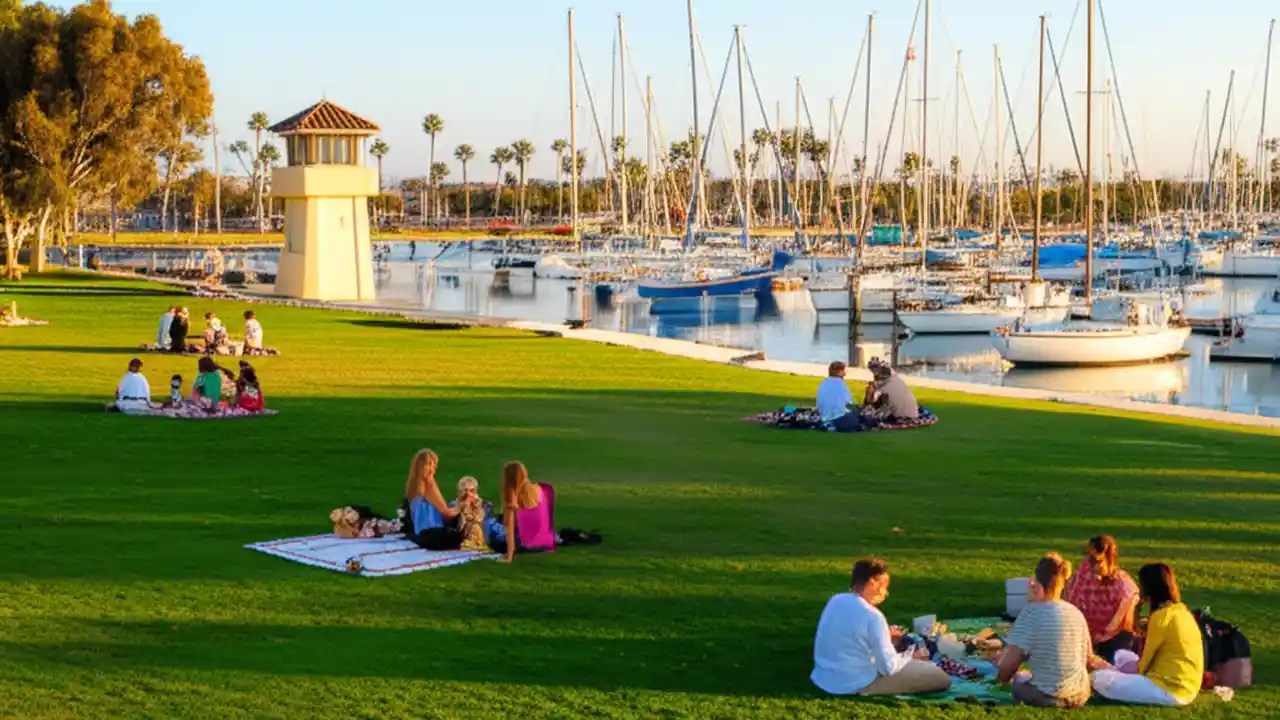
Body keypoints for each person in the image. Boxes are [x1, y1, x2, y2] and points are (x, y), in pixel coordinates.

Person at [810, 558, 949, 696]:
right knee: (939, 676)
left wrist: (886, 638)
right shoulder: (873, 616)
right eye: (884, 587)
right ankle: (870, 690)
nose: (886, 593)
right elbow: (888, 668)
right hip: (853, 682)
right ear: (872, 584)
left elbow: (849, 636)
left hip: (824, 677)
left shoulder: (836, 600)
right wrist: (910, 655)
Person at [1091, 564, 1203, 707]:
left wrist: (1122, 672)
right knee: (1122, 654)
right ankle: (1120, 676)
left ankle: (1116, 677)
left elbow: (1142, 667)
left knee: (1098, 678)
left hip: (1169, 689)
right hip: (1186, 685)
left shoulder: (1161, 617)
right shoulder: (1181, 610)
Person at [996, 553, 1096, 708]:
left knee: (1019, 681)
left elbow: (1008, 665)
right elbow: (1088, 658)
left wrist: (1001, 679)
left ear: (1036, 583)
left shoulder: (1032, 612)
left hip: (1048, 697)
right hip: (1081, 695)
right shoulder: (1075, 612)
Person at [1064, 536, 1140, 662]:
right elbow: (1072, 601)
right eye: (1091, 560)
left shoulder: (1123, 584)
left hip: (1112, 636)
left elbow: (1117, 624)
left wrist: (1102, 635)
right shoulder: (1085, 573)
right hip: (1085, 633)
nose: (1094, 566)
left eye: (1098, 561)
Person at [491, 460, 554, 564]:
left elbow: (509, 529)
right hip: (544, 542)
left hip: (525, 543)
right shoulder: (540, 489)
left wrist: (509, 556)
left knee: (491, 525)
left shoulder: (512, 501)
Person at [400, 449, 463, 550]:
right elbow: (446, 512)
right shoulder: (428, 485)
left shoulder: (413, 486)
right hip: (432, 534)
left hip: (421, 535)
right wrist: (463, 505)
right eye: (431, 464)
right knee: (463, 536)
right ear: (423, 467)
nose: (434, 468)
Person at [816, 361, 858, 430]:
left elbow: (818, 404)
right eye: (843, 371)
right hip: (839, 418)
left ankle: (829, 426)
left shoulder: (823, 384)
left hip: (824, 417)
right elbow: (849, 404)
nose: (845, 374)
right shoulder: (841, 384)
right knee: (858, 416)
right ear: (838, 372)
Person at [455, 476, 489, 551]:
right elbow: (459, 524)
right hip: (462, 533)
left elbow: (481, 519)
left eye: (472, 491)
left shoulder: (482, 504)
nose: (468, 494)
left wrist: (476, 507)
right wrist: (464, 507)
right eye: (465, 490)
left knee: (475, 526)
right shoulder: (454, 505)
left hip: (479, 533)